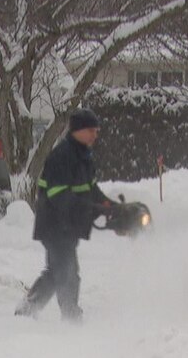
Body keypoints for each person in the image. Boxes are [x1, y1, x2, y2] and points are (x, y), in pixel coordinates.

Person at [15, 108, 120, 322]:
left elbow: (90, 188)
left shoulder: (83, 156)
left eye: (96, 131)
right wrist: (91, 208)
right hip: (55, 224)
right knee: (67, 271)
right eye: (91, 130)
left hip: (69, 225)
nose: (95, 135)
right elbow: (58, 196)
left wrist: (106, 204)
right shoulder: (62, 156)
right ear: (77, 130)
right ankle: (70, 316)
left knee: (56, 272)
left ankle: (27, 309)